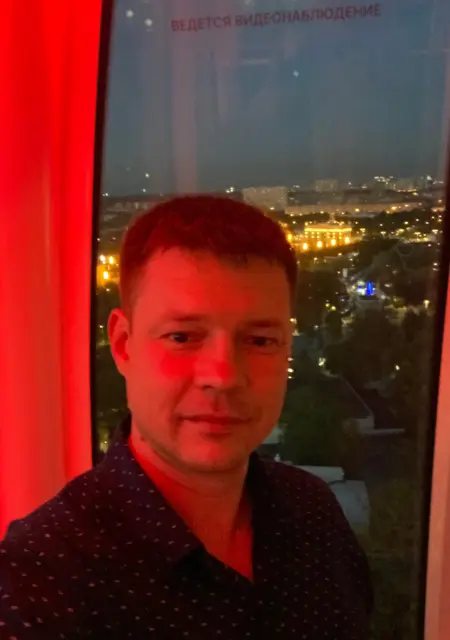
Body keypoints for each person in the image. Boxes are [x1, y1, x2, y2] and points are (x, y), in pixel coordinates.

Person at [0, 195, 373, 638]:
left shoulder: (313, 513)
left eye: (259, 341)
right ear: (123, 345)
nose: (223, 376)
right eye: (182, 336)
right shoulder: (37, 585)